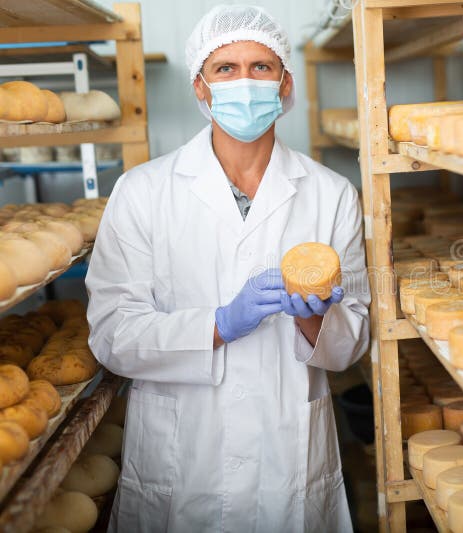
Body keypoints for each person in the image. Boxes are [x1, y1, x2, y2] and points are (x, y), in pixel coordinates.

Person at [85, 5, 370, 532]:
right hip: (183, 458)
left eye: (261, 67)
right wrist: (218, 325)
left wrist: (314, 318)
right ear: (201, 86)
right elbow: (112, 337)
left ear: (285, 84)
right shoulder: (142, 192)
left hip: (286, 454)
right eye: (225, 68)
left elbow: (352, 344)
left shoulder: (331, 195)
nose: (245, 81)